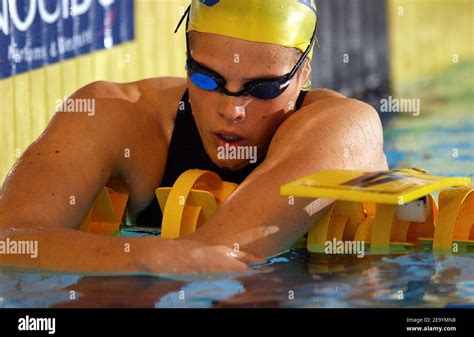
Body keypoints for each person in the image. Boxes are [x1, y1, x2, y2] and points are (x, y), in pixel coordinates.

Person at [0, 0, 387, 275]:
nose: (232, 109)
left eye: (264, 88)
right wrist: (148, 256)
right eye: (207, 78)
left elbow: (219, 257)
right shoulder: (116, 112)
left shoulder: (345, 127)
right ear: (187, 60)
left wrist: (159, 258)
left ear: (303, 76)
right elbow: (8, 241)